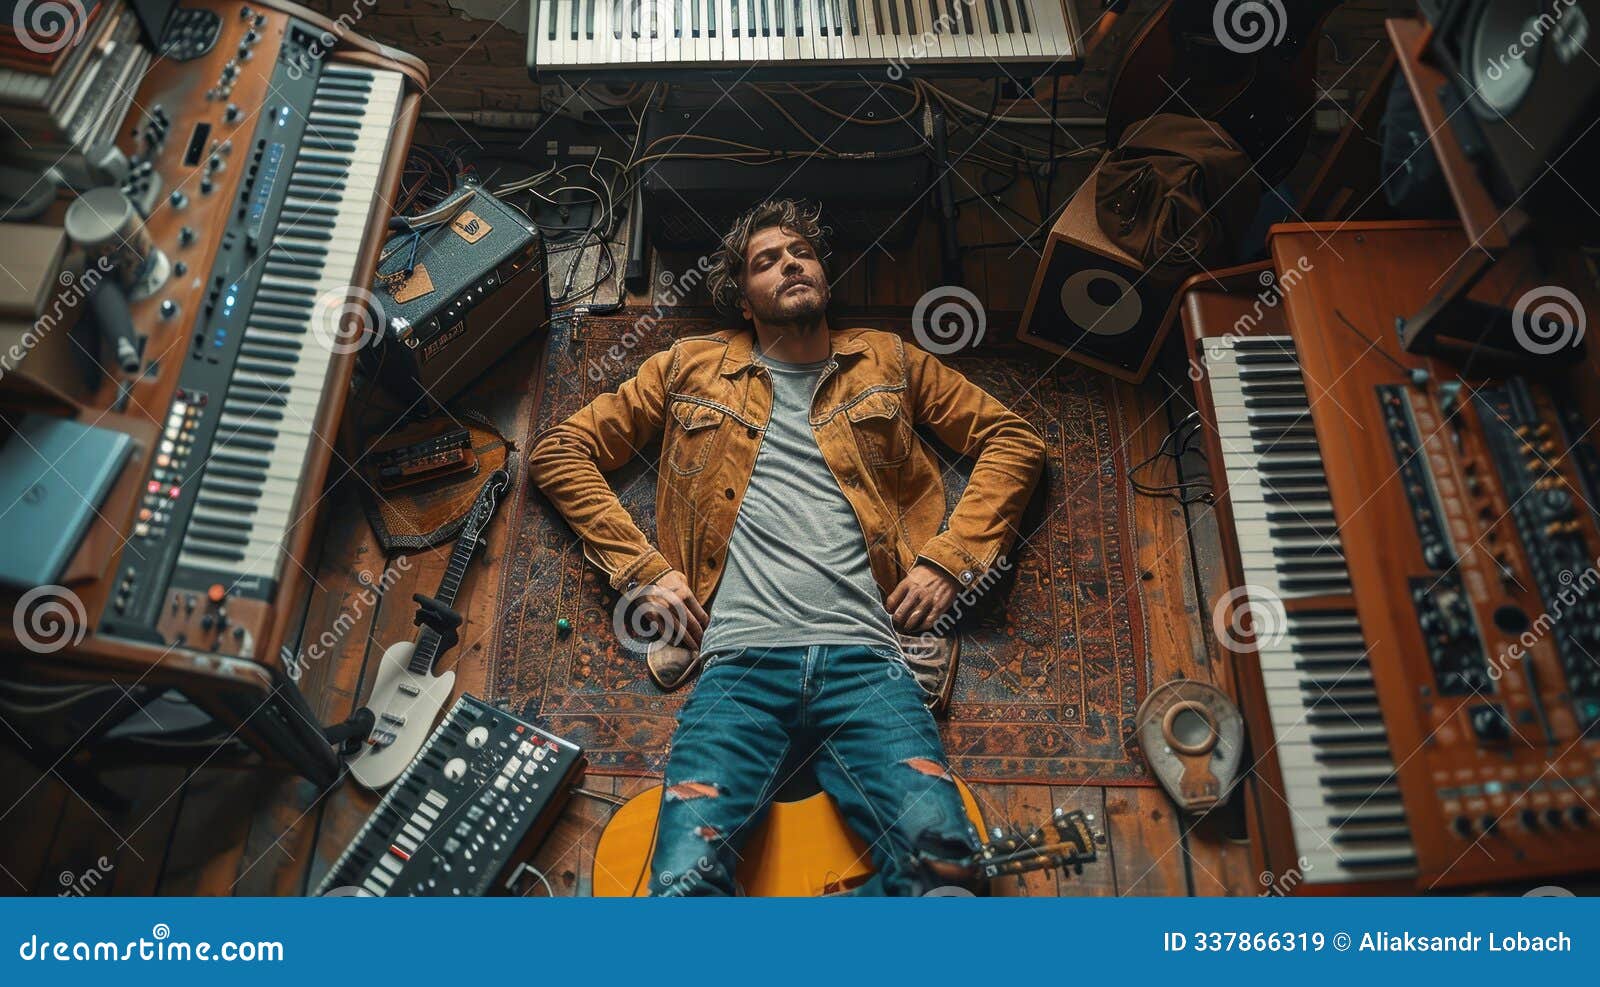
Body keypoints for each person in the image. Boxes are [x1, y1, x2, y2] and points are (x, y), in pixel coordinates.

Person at [529, 199, 1046, 895]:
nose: (791, 264)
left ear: (823, 275)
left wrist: (951, 560)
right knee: (683, 888)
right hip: (737, 668)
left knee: (949, 869)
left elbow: (1014, 441)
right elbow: (559, 452)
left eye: (801, 253)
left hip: (870, 663)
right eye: (767, 261)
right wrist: (643, 571)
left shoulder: (888, 359)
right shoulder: (688, 367)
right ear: (744, 301)